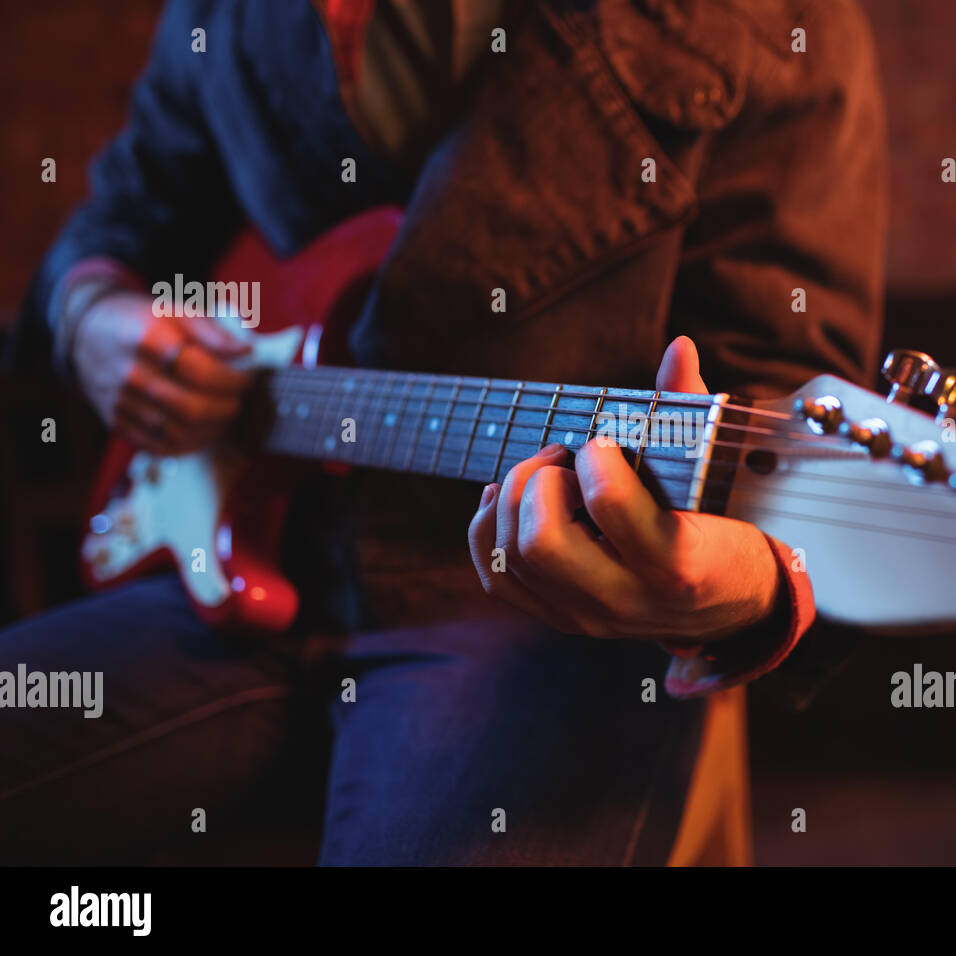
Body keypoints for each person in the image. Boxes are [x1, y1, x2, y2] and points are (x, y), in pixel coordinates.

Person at [0, 0, 885, 864]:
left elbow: (786, 418)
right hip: (234, 569)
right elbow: (115, 223)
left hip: (535, 619)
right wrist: (92, 319)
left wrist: (740, 583)